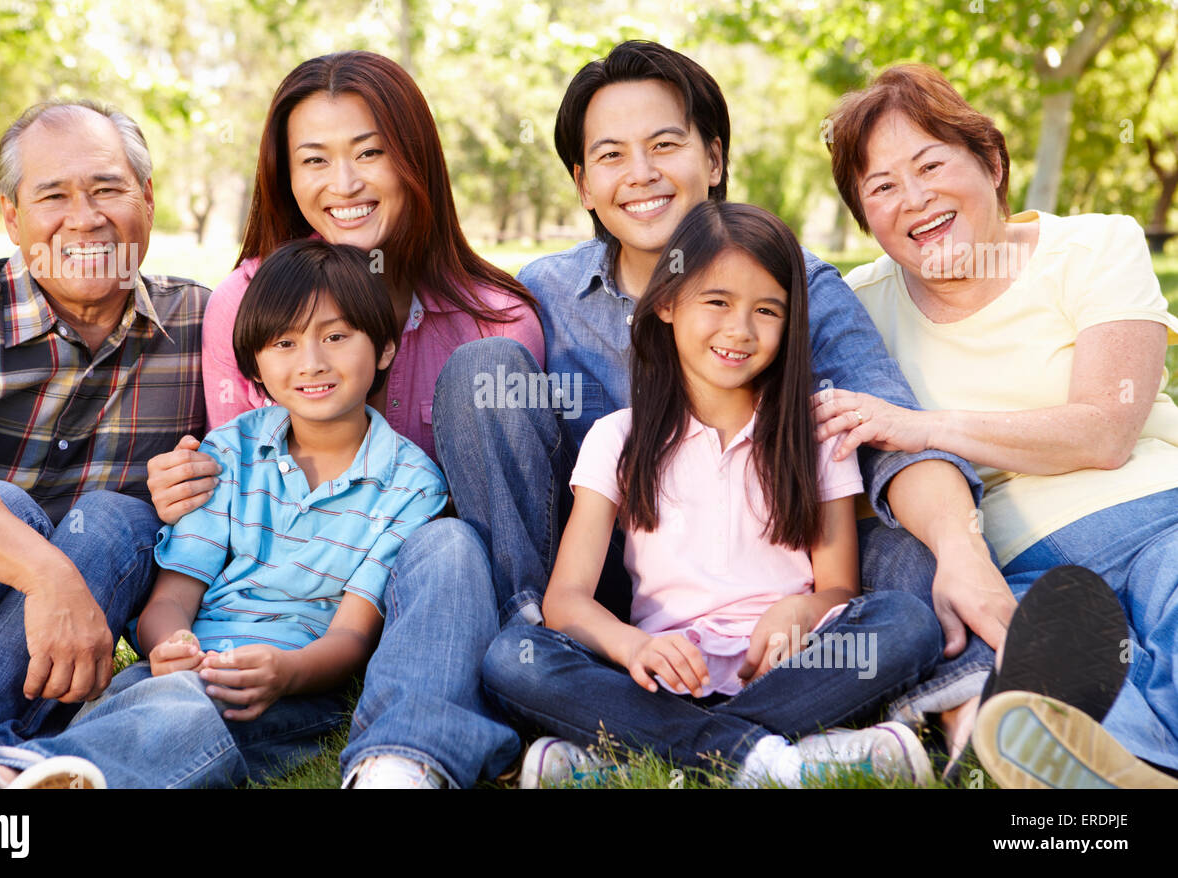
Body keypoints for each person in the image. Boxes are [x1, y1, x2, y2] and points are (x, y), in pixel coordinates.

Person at [338, 40, 1016, 789]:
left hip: (779, 597)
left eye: (665, 145)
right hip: (596, 599)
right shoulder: (544, 295)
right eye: (612, 156)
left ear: (715, 158)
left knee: (909, 562)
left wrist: (960, 547)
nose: (642, 175)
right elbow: (466, 420)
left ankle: (669, 744)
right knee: (482, 375)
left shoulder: (799, 283)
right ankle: (565, 685)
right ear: (583, 183)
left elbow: (887, 434)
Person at [0, 240, 449, 788]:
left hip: (291, 690)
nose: (312, 362)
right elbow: (172, 599)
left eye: (337, 336)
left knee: (183, 714)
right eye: (285, 344)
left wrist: (287, 672)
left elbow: (353, 635)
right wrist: (169, 645)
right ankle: (0, 766)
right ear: (254, 363)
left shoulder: (411, 484)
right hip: (178, 670)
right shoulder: (230, 452)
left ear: (385, 348)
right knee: (146, 700)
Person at [482, 201, 943, 787]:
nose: (739, 330)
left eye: (767, 310)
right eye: (717, 302)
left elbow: (838, 587)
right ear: (669, 303)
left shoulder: (814, 433)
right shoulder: (617, 437)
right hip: (661, 676)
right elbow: (566, 603)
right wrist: (631, 647)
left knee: (905, 621)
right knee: (511, 660)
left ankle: (646, 754)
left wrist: (801, 609)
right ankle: (784, 759)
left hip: (786, 670)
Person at [819, 63, 1178, 787]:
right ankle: (1131, 767)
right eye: (882, 187)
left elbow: (1106, 429)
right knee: (1058, 671)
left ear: (990, 161)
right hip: (1006, 557)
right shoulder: (857, 306)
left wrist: (925, 427)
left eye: (929, 164)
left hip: (1153, 514)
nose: (914, 199)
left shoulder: (1093, 247)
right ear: (866, 219)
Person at [0, 100, 206, 758]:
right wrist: (45, 575)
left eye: (108, 189)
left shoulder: (204, 324)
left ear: (146, 197)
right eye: (52, 195)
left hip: (44, 644)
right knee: (5, 504)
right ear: (12, 215)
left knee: (120, 519)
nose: (84, 220)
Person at [146, 50, 543, 528]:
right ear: (286, 178)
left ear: (415, 159)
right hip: (297, 579)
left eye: (370, 152)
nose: (346, 183)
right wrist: (187, 487)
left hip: (452, 580)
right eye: (315, 159)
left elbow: (515, 511)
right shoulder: (242, 302)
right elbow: (232, 494)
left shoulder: (498, 321)